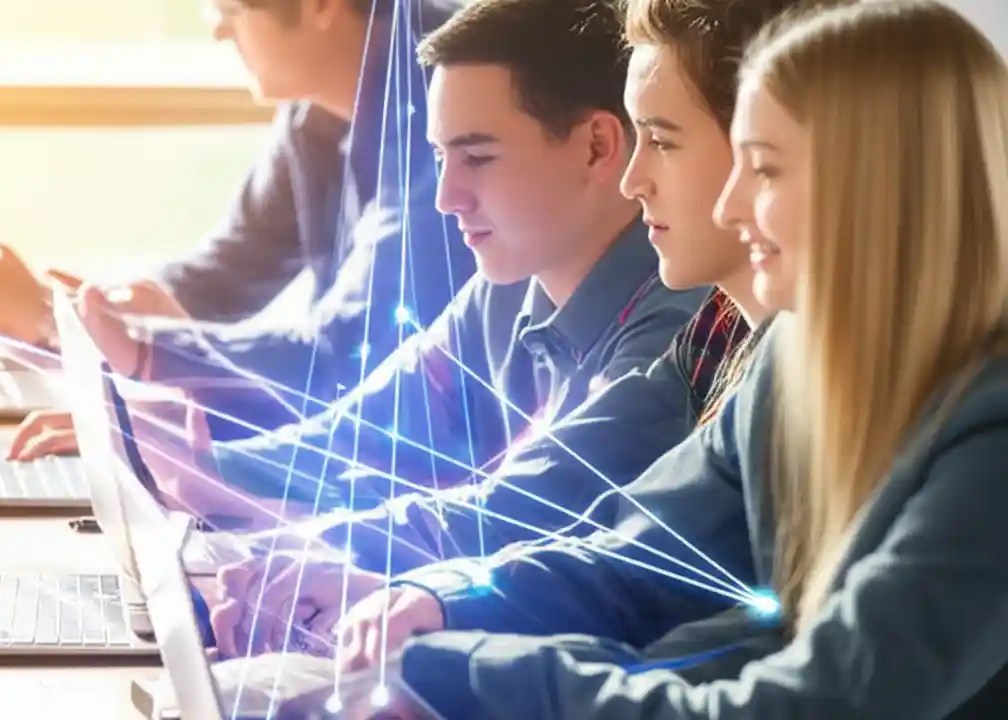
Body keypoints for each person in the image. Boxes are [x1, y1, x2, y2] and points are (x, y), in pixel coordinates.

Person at [334, 1, 1008, 716]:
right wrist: (440, 606)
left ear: (878, 184)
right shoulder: (790, 357)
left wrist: (461, 672)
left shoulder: (992, 439)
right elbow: (633, 560)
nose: (732, 205)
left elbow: (823, 702)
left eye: (766, 169)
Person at [204, 0, 809, 660]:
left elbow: (546, 516)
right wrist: (418, 599)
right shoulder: (718, 334)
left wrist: (442, 649)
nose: (636, 181)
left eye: (660, 141)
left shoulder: (684, 322)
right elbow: (619, 553)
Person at [0, 0, 478, 451]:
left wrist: (113, 340)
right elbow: (226, 273)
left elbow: (343, 358)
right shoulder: (318, 112)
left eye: (232, 8)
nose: (220, 28)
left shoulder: (449, 120)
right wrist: (82, 311)